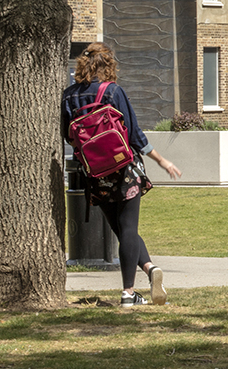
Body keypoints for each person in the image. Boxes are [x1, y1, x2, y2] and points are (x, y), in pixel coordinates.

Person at [62, 42, 182, 309]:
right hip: (123, 169)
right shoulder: (113, 92)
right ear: (108, 65)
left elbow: (67, 135)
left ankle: (150, 269)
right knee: (128, 228)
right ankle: (128, 293)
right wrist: (162, 161)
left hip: (95, 173)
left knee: (119, 229)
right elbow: (135, 135)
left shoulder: (68, 96)